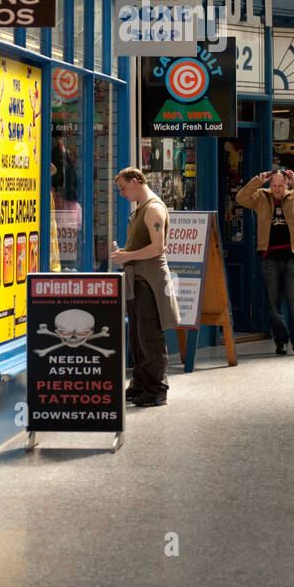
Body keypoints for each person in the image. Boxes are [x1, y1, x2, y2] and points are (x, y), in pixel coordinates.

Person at [111, 167, 180, 407]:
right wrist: (126, 256)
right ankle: (140, 383)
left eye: (123, 187)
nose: (121, 193)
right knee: (137, 335)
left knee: (149, 335)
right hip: (137, 280)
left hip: (149, 281)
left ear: (136, 180)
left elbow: (157, 248)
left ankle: (157, 388)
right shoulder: (141, 209)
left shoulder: (153, 208)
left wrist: (126, 255)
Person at [236, 167, 294, 356]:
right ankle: (281, 341)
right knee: (273, 303)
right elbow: (241, 198)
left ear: (287, 184)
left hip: (291, 257)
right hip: (269, 258)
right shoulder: (261, 197)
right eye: (274, 185)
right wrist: (258, 181)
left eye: (281, 186)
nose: (277, 189)